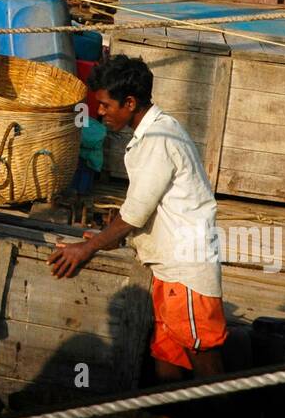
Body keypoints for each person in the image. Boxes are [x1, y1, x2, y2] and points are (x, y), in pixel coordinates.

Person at [48, 55, 226, 381]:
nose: (99, 112)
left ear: (130, 103)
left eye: (104, 105)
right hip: (169, 270)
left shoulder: (159, 138)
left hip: (186, 272)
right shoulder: (153, 133)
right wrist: (106, 238)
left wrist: (88, 248)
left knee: (205, 362)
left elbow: (136, 212)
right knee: (166, 356)